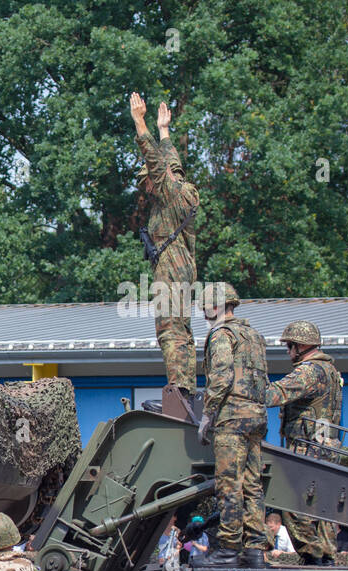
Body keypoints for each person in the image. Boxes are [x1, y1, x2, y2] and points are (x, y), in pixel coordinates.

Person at [129, 92, 200, 397]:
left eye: (146, 181)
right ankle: (185, 382)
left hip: (171, 268)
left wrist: (140, 123)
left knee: (169, 327)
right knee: (182, 328)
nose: (146, 187)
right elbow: (172, 167)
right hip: (182, 266)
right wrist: (165, 131)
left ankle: (179, 387)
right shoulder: (180, 191)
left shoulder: (169, 194)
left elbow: (159, 166)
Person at [197, 282, 269, 567]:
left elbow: (222, 376)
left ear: (215, 306)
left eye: (204, 309)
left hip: (231, 419)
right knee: (253, 485)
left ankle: (227, 548)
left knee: (230, 484)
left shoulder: (221, 334)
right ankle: (255, 549)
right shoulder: (254, 335)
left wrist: (208, 414)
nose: (204, 315)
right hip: (256, 418)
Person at [265, 320, 343, 565]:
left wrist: (247, 382)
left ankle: (312, 555)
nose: (288, 352)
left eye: (289, 346)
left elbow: (272, 395)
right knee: (323, 508)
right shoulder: (331, 371)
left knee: (288, 502)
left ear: (300, 345)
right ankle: (327, 556)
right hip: (327, 447)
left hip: (307, 447)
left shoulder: (309, 371)